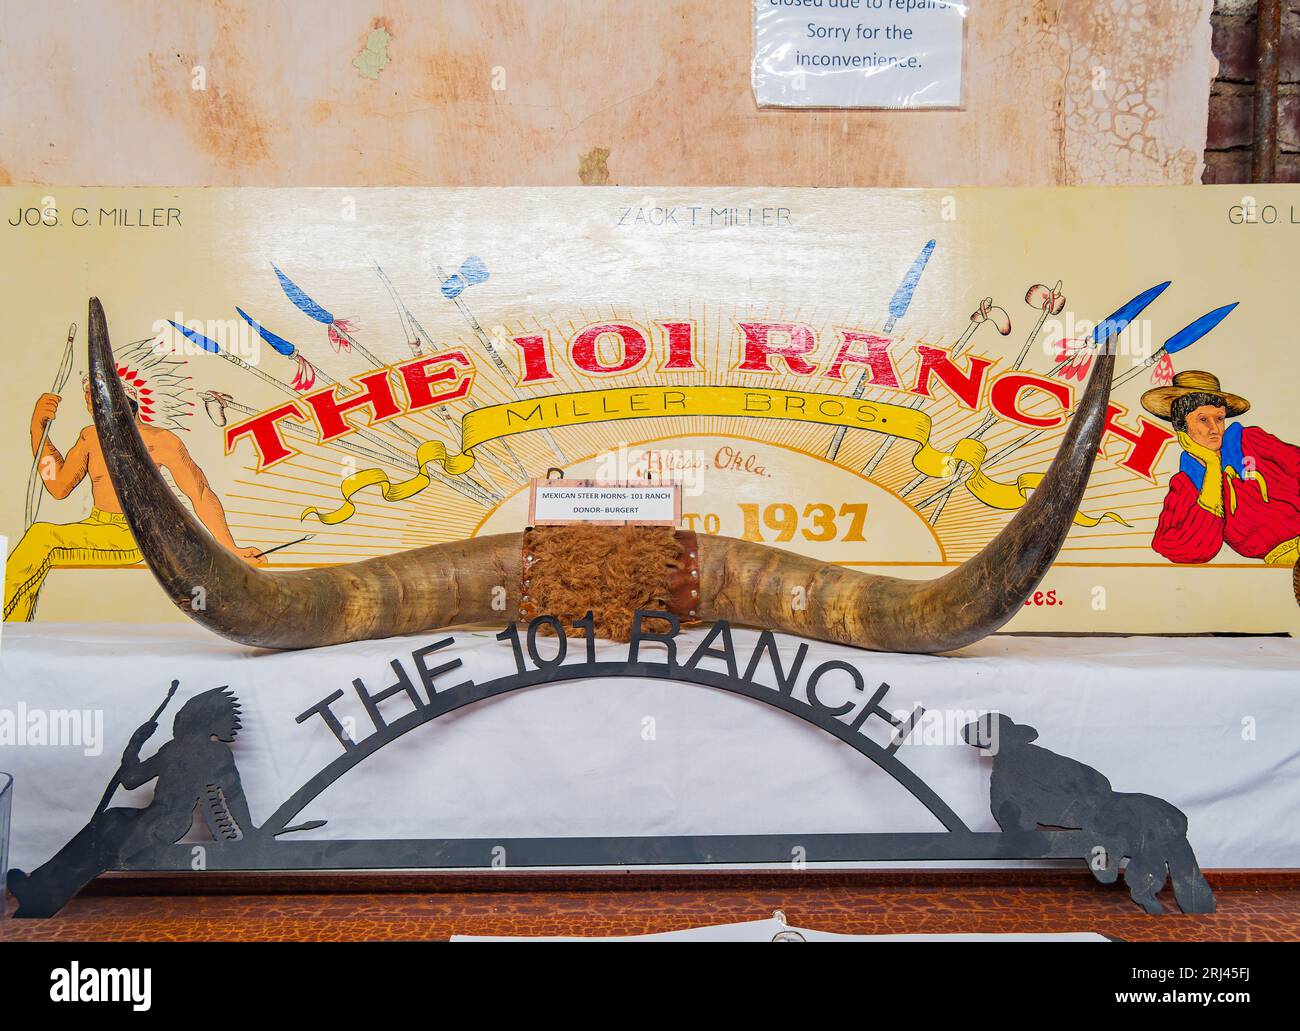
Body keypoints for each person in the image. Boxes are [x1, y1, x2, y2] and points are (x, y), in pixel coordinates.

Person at [4, 375, 265, 621]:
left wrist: (230, 547)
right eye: (88, 402)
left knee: (40, 538)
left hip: (135, 534)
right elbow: (58, 485)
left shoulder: (160, 440)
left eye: (94, 401)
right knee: (35, 552)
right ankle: (12, 628)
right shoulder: (90, 437)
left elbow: (200, 493)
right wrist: (38, 430)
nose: (90, 408)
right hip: (95, 528)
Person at [7, 687, 255, 918]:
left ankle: (44, 897)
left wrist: (249, 832)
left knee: (109, 844)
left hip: (168, 822)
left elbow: (233, 796)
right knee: (107, 822)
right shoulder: (173, 749)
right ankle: (38, 886)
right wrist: (134, 744)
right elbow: (132, 780)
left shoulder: (215, 754)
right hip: (153, 816)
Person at [1144, 370, 1300, 566]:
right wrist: (1212, 466)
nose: (1215, 428)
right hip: (1285, 561)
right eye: (1203, 419)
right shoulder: (1186, 484)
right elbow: (1178, 546)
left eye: (1219, 418)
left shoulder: (1248, 441)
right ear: (1182, 426)